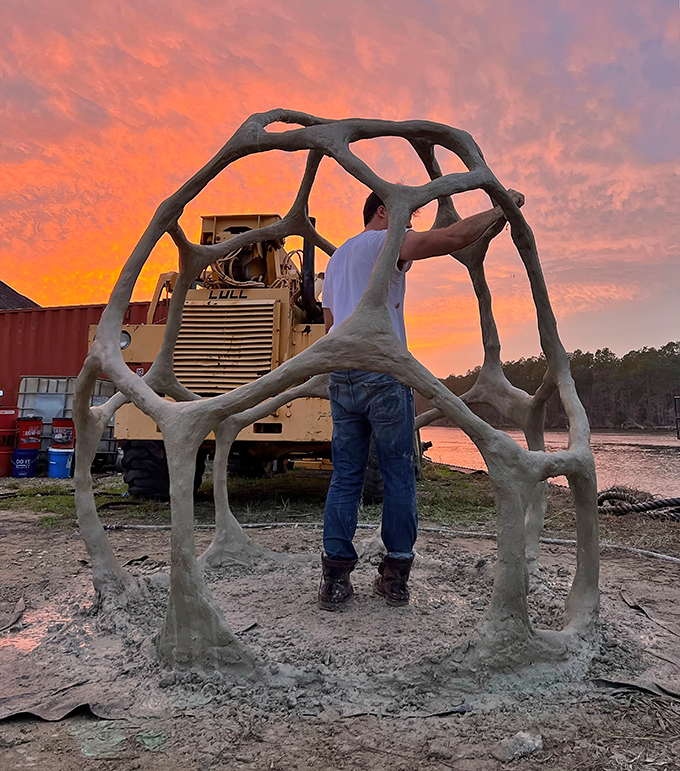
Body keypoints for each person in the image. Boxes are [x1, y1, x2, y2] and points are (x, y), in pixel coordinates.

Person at [318, 188, 525, 611]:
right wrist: (501, 207)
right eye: (406, 217)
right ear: (384, 211)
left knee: (345, 476)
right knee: (398, 473)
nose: (409, 226)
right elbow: (450, 238)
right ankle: (395, 578)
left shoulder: (337, 258)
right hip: (384, 372)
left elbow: (330, 324)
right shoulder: (385, 240)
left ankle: (334, 581)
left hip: (342, 374)